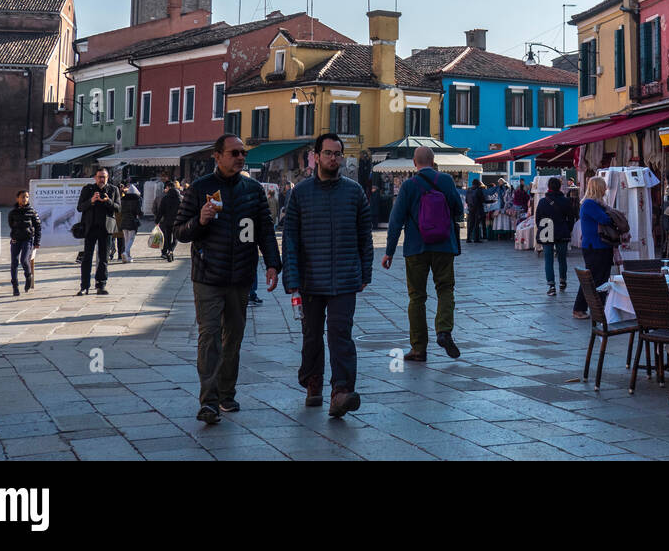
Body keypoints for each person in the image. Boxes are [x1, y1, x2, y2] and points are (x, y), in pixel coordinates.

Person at [174, 134, 281, 425]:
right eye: (234, 153)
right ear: (217, 156)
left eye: (243, 153)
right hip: (208, 276)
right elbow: (180, 232)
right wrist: (201, 219)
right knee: (210, 338)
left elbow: (265, 231)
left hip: (241, 276)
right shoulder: (199, 189)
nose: (240, 158)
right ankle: (208, 402)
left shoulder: (253, 190)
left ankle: (226, 394)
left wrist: (273, 263)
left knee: (233, 338)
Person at [283, 133, 374, 416]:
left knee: (340, 335)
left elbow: (365, 237)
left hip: (346, 278)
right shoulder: (300, 192)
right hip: (311, 280)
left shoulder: (354, 191)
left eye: (338, 154)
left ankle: (341, 391)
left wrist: (365, 272)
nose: (333, 158)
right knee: (311, 336)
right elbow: (290, 240)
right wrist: (292, 280)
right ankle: (313, 383)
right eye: (328, 153)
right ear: (316, 156)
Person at [382, 147, 464, 362]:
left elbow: (396, 220)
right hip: (444, 246)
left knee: (416, 297)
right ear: (433, 160)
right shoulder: (445, 181)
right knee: (445, 288)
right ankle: (444, 330)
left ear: (414, 163)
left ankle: (418, 349)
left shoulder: (409, 185)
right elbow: (458, 209)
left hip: (416, 247)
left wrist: (389, 251)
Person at [573, 176, 615, 319]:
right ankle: (579, 308)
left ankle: (599, 308)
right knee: (592, 278)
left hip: (600, 245)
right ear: (598, 188)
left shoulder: (594, 204)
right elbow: (604, 219)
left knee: (601, 279)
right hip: (595, 246)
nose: (606, 190)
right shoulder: (590, 204)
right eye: (603, 187)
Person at [76, 167, 119, 296]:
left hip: (106, 229)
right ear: (95, 178)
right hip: (90, 228)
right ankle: (84, 286)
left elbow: (118, 207)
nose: (101, 179)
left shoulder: (113, 189)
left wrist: (107, 201)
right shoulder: (88, 189)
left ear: (108, 178)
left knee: (104, 258)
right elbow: (80, 207)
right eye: (99, 177)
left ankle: (101, 285)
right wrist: (92, 201)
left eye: (104, 177)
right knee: (87, 258)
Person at [535, 177, 575, 296]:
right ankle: (563, 281)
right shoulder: (566, 201)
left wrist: (542, 229)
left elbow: (538, 219)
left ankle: (551, 286)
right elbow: (571, 218)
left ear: (549, 187)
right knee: (562, 258)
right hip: (562, 231)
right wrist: (568, 229)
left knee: (548, 259)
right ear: (560, 187)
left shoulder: (543, 201)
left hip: (547, 230)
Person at [7, 189, 42, 296]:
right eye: (22, 197)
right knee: (14, 262)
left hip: (27, 240)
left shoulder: (32, 211)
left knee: (24, 260)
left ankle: (28, 276)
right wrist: (13, 237)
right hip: (16, 240)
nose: (25, 199)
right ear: (17, 198)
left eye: (26, 197)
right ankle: (15, 286)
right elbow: (11, 225)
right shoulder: (13, 212)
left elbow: (38, 227)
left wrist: (37, 242)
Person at [156, 180, 181, 262]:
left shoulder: (165, 198)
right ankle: (171, 251)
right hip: (177, 222)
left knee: (168, 237)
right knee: (175, 239)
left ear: (169, 188)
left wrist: (157, 220)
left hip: (168, 221)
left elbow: (161, 211)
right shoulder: (180, 198)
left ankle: (169, 251)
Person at [119, 182, 142, 263]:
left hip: (124, 220)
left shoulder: (123, 199)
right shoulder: (137, 199)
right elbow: (138, 211)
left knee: (126, 239)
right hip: (132, 220)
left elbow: (120, 210)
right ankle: (125, 253)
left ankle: (127, 256)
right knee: (131, 238)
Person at [465, 177, 485, 243]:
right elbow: (482, 200)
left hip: (470, 209)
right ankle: (476, 239)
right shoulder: (479, 190)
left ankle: (468, 238)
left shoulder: (468, 190)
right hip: (478, 209)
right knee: (477, 224)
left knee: (470, 224)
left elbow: (466, 200)